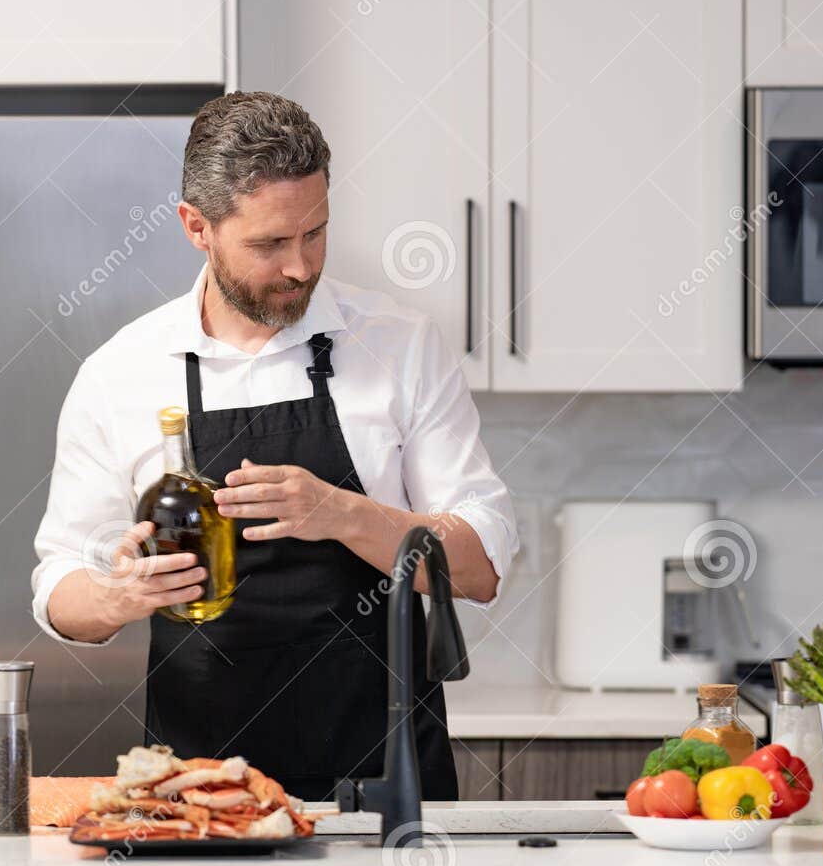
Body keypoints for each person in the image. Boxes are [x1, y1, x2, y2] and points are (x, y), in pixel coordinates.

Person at [30, 91, 518, 800]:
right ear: (196, 227)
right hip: (198, 797)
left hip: (380, 787)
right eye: (269, 244)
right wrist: (116, 595)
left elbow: (481, 565)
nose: (300, 267)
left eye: (314, 233)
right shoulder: (120, 373)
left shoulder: (400, 345)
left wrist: (344, 515)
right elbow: (58, 586)